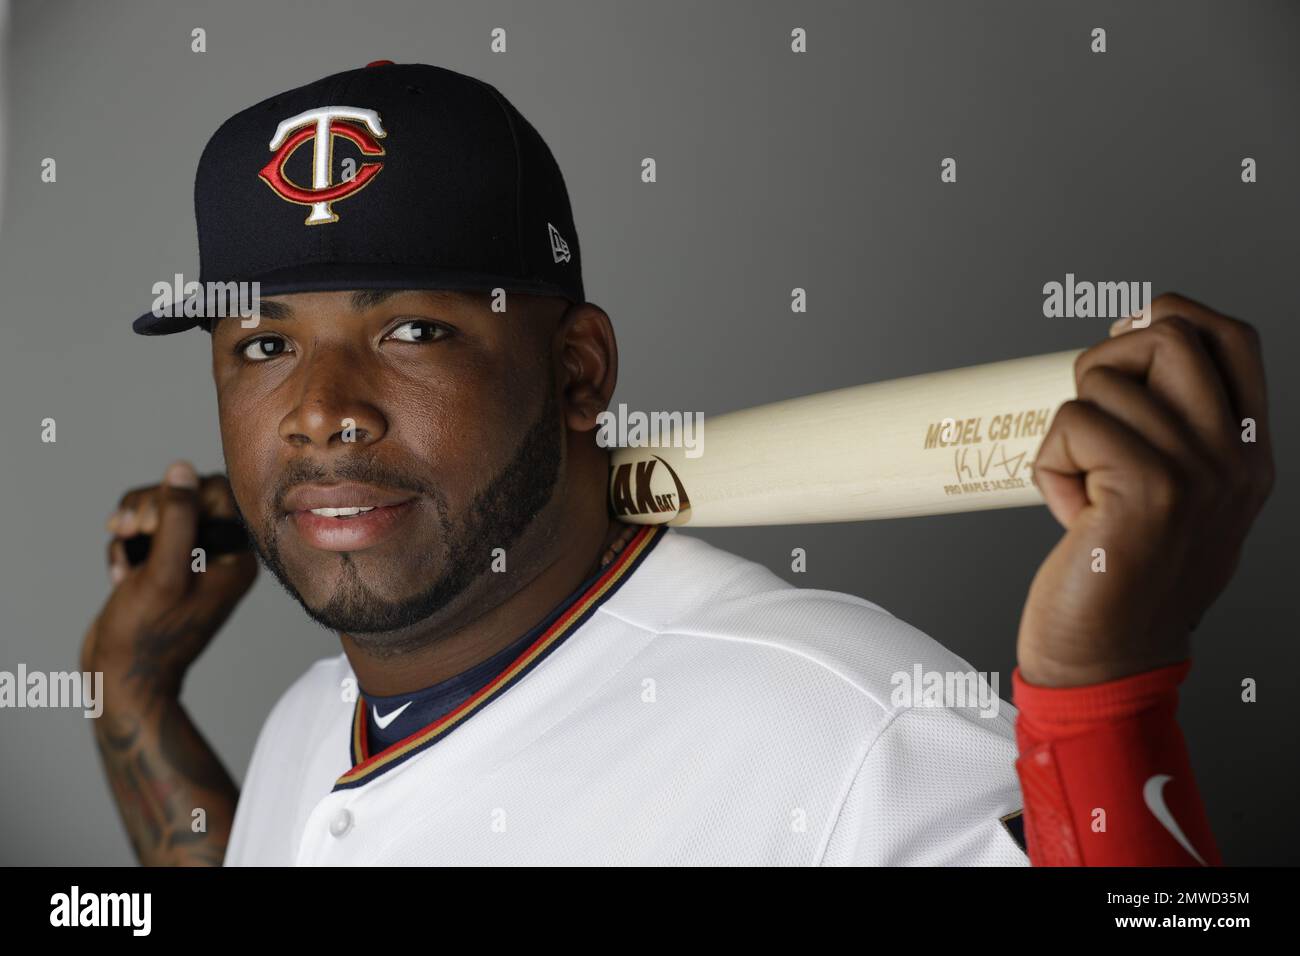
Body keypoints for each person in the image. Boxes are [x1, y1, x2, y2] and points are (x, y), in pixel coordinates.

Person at [81, 62, 1274, 866]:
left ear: (579, 375)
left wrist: (1102, 693)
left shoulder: (858, 734)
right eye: (264, 344)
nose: (319, 414)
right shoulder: (313, 721)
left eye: (413, 330)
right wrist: (132, 693)